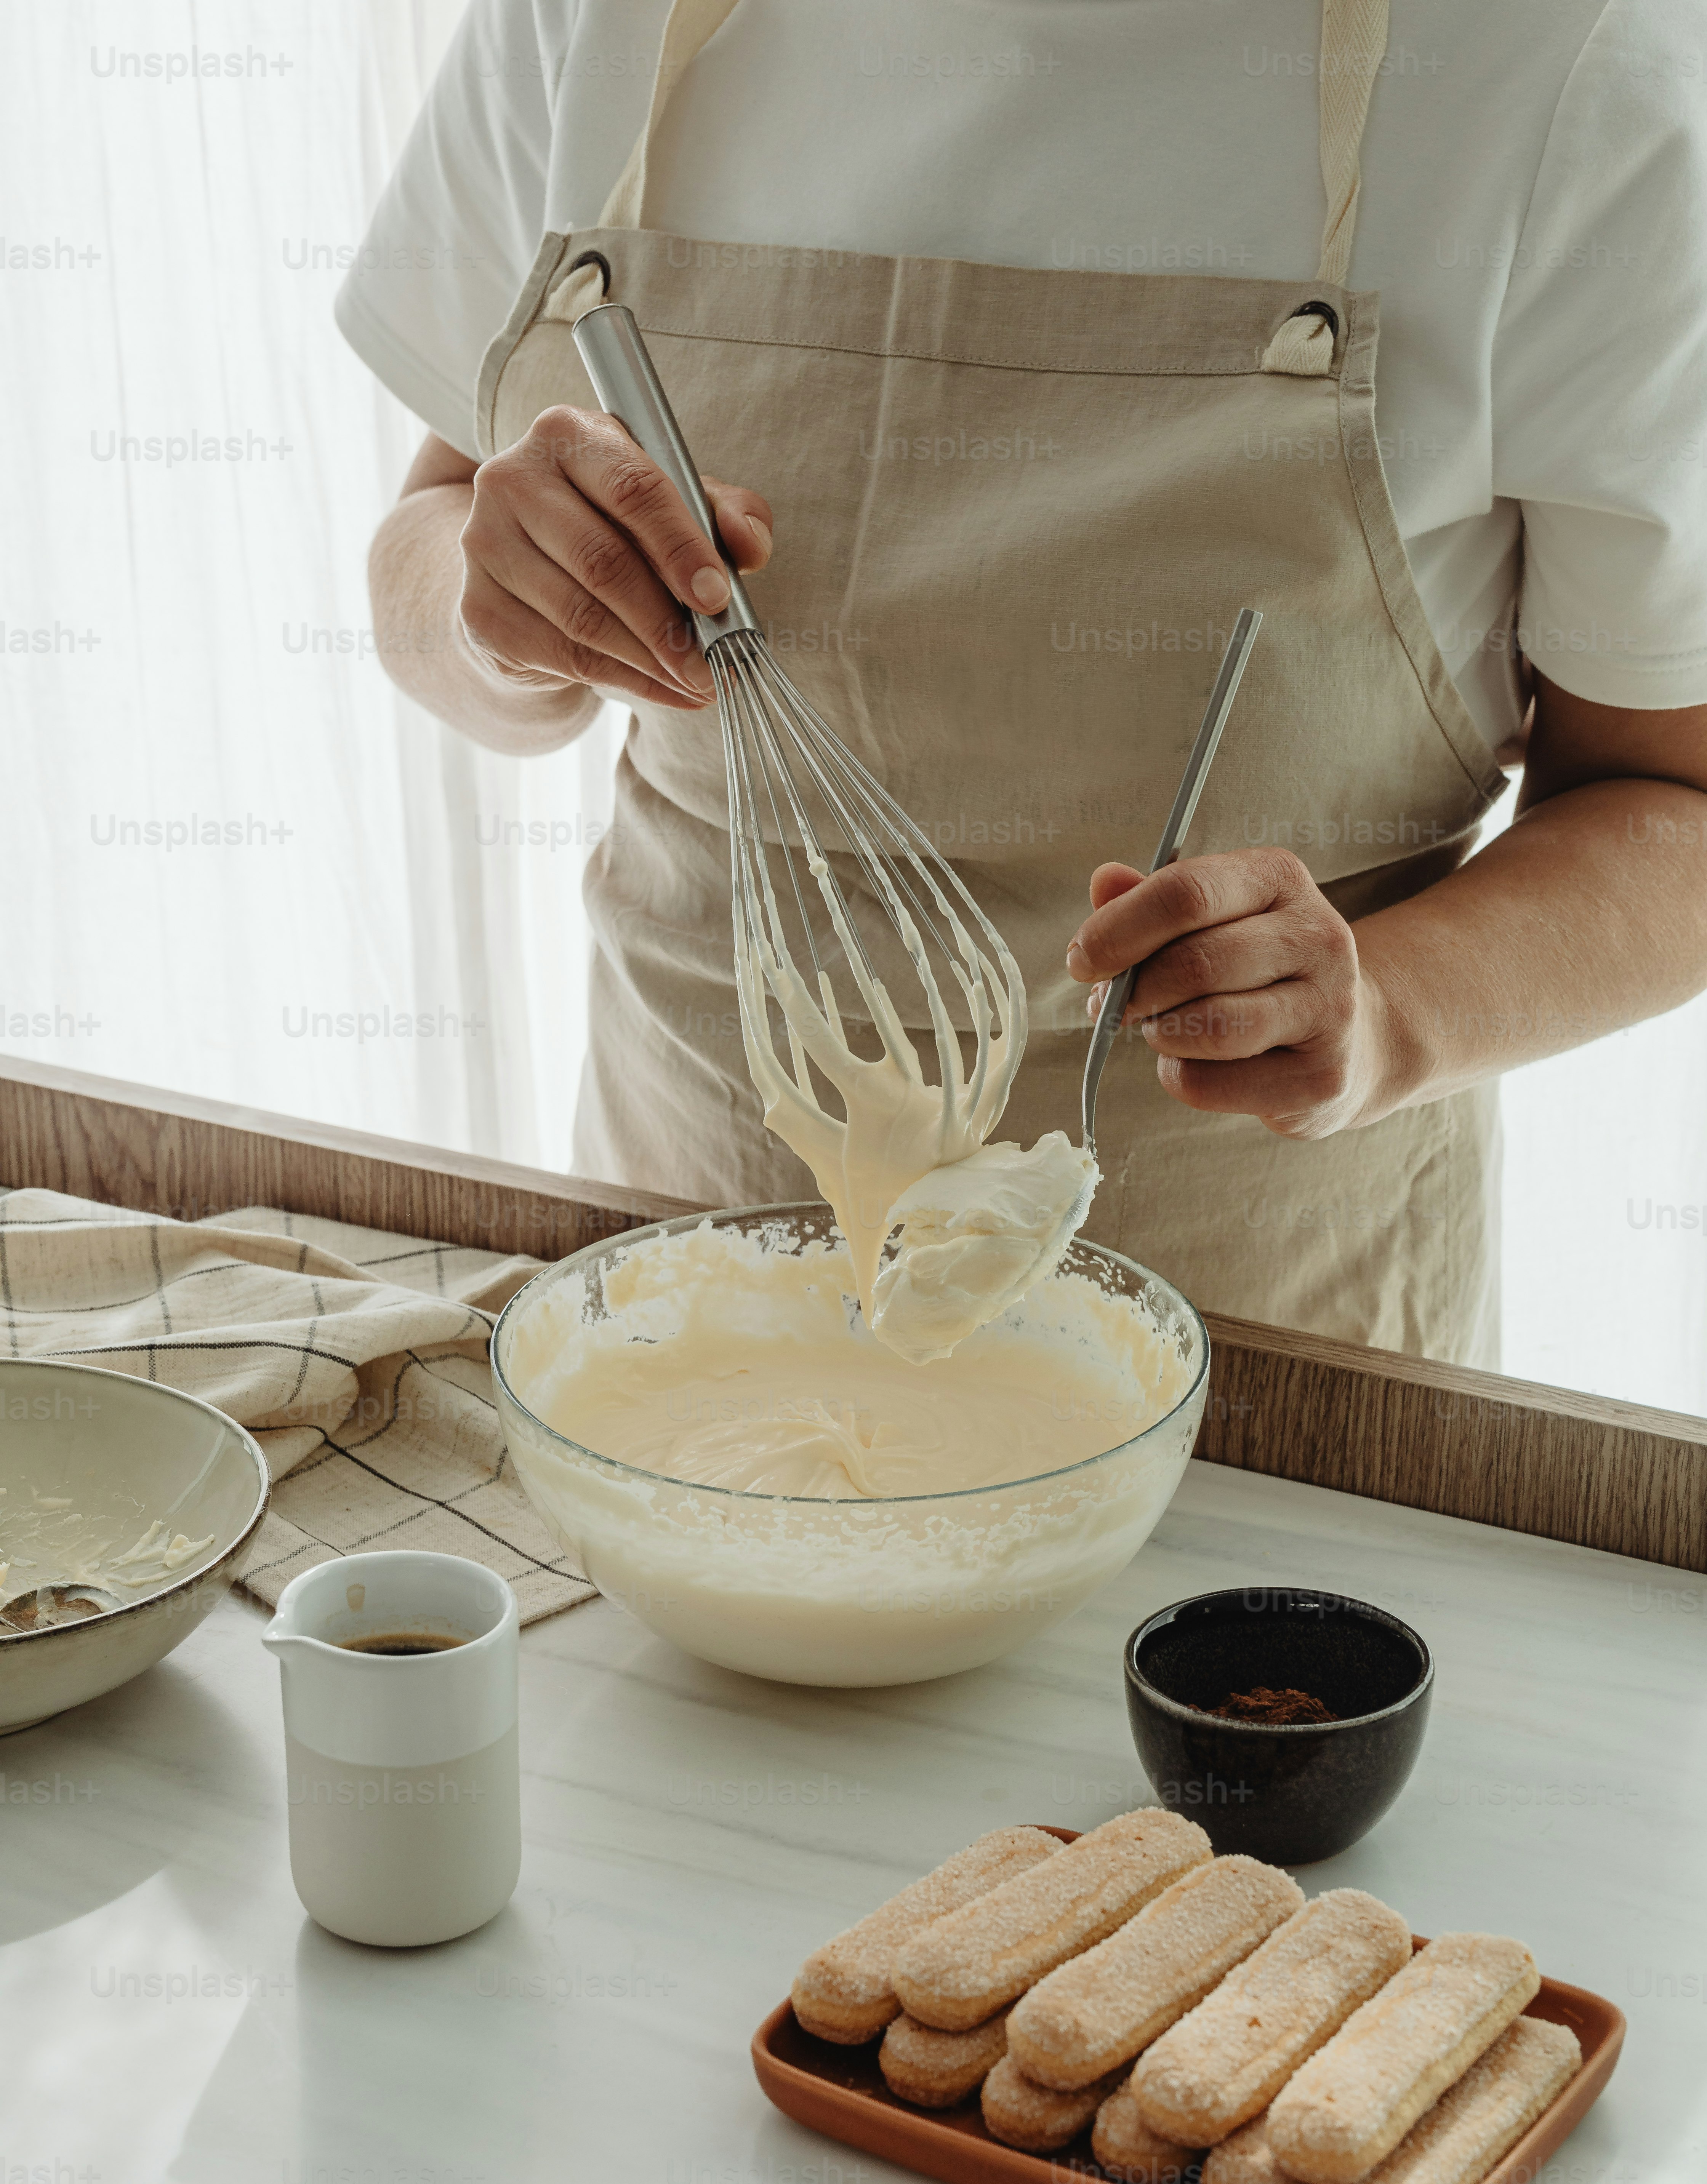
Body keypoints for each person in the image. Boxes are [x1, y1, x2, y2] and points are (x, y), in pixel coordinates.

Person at [339, 0, 1707, 1365]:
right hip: (680, 1246)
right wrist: (497, 619)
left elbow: (1674, 799)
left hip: (1265, 1326)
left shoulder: (1567, 65)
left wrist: (1392, 1013)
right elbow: (436, 533)